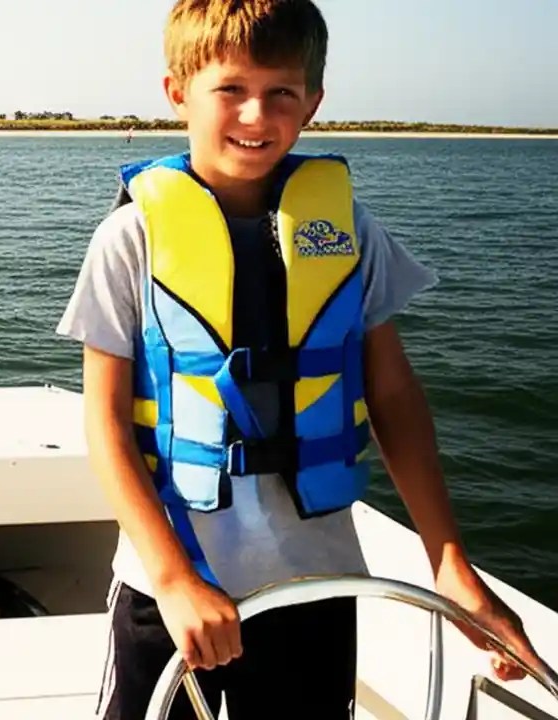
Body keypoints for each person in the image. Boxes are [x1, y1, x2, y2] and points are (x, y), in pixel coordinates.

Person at [55, 0, 547, 717]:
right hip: (169, 590)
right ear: (177, 93)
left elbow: (395, 397)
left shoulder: (348, 229)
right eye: (231, 89)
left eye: (281, 92)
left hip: (316, 588)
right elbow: (103, 424)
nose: (257, 115)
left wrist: (449, 563)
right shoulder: (130, 240)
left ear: (312, 103)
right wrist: (170, 578)